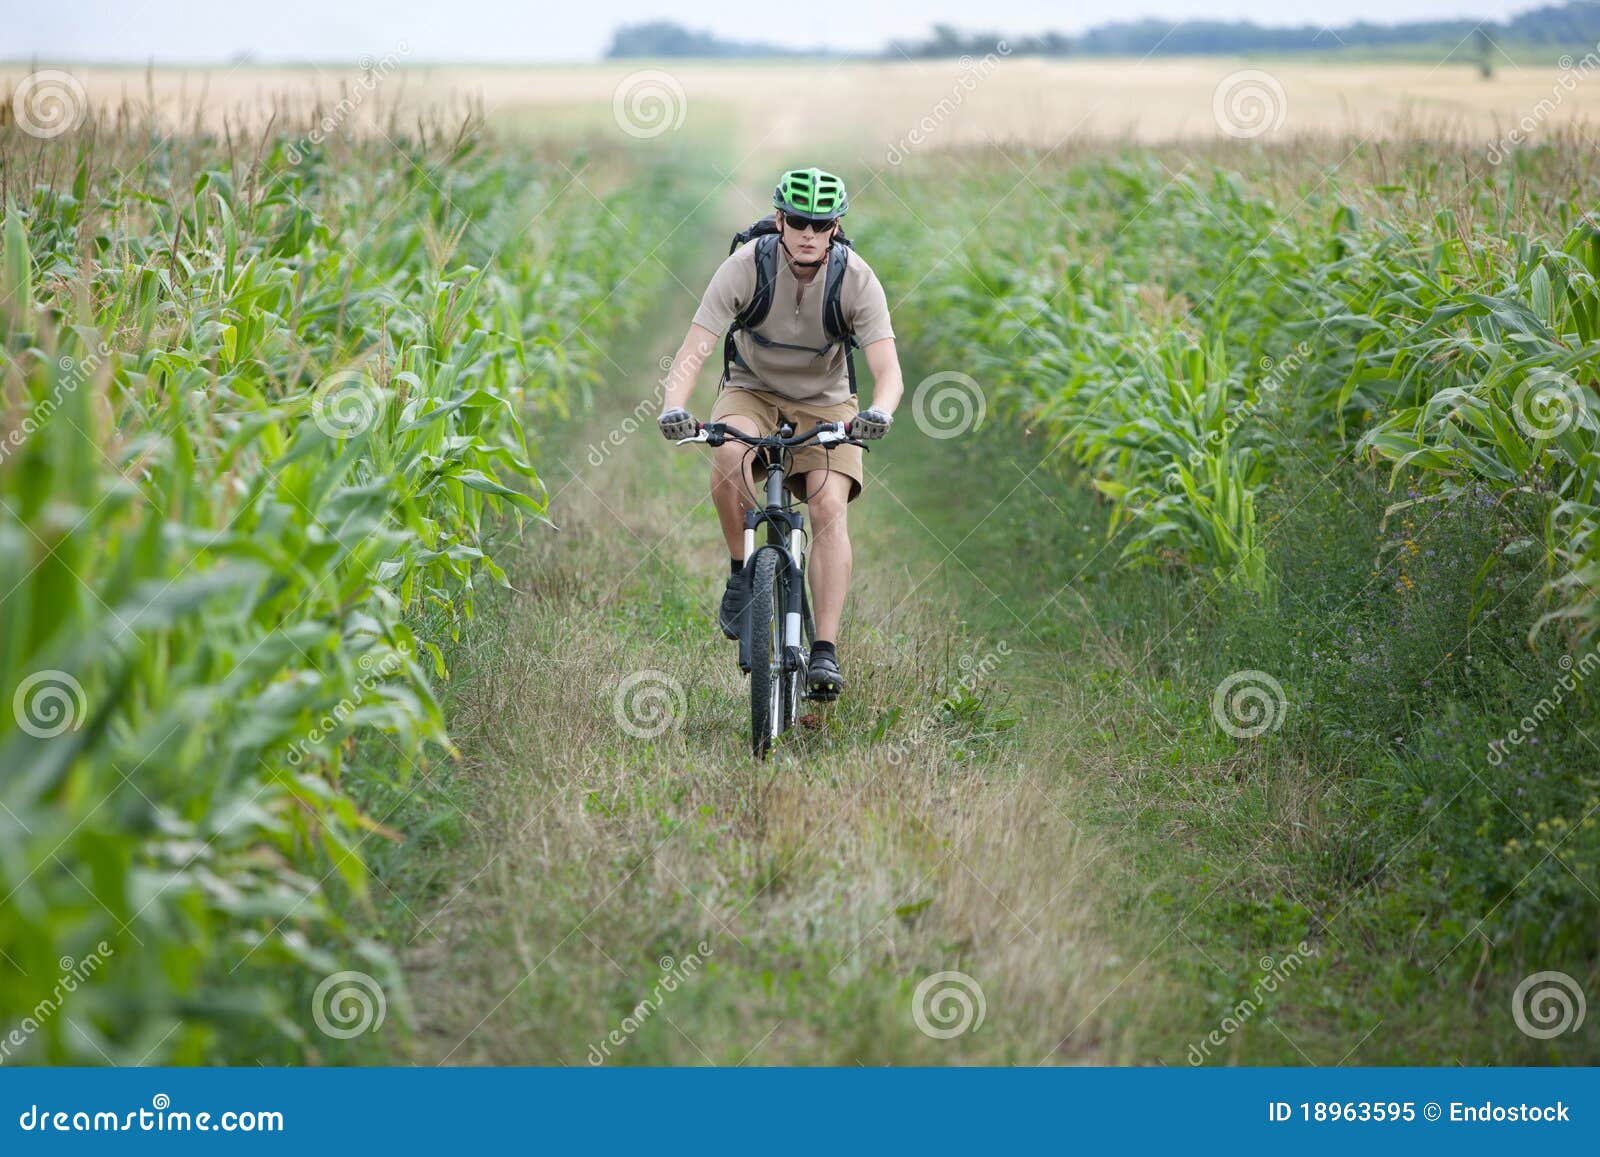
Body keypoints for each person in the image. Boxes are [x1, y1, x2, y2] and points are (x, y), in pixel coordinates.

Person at [657, 167, 903, 701]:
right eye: (797, 222)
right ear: (779, 220)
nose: (808, 234)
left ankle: (824, 651)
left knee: (826, 508)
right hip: (753, 389)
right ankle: (742, 574)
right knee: (727, 454)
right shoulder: (745, 266)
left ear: (835, 227)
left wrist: (878, 413)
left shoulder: (856, 279)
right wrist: (674, 405)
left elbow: (890, 372)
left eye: (820, 224)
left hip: (827, 401)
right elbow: (695, 349)